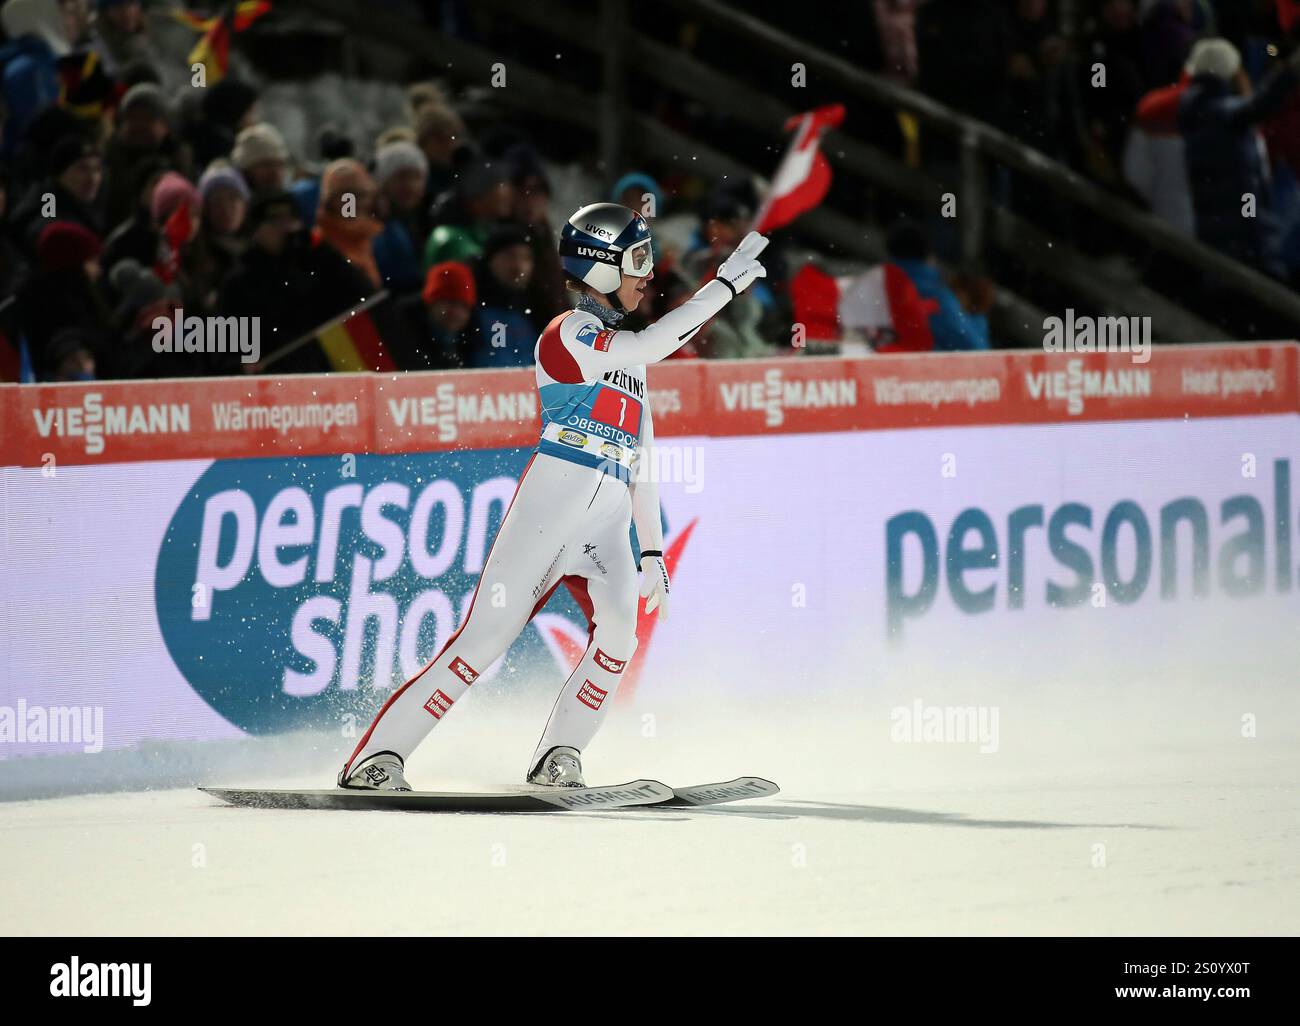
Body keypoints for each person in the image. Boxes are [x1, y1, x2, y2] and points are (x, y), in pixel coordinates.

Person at [338, 203, 768, 791]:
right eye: (637, 260)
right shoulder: (569, 333)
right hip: (551, 506)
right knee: (481, 644)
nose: (647, 274)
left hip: (609, 518)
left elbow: (642, 463)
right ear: (600, 268)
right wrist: (721, 286)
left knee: (621, 634)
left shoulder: (630, 355)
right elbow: (657, 343)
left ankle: (559, 757)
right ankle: (376, 759)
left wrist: (653, 554)